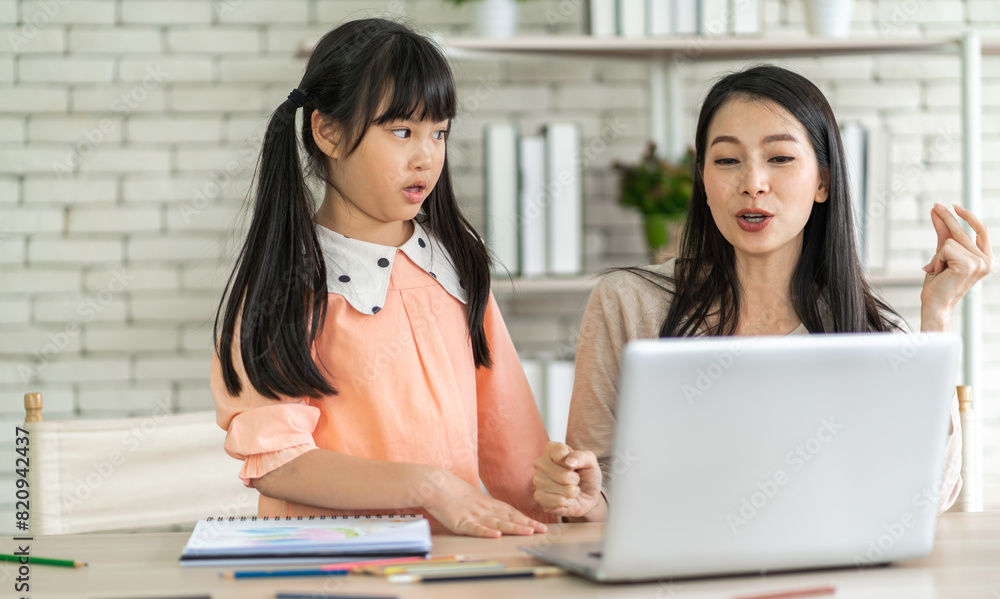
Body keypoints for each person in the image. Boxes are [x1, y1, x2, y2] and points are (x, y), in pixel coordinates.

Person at [533, 64, 992, 521]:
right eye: (727, 160)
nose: (752, 183)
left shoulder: (871, 333)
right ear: (703, 180)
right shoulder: (627, 303)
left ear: (823, 181)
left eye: (780, 158)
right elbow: (602, 498)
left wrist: (938, 315)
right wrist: (585, 500)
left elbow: (925, 497)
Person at [210, 18, 551, 538]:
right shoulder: (286, 283)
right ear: (328, 132)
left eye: (439, 132)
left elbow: (515, 447)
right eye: (402, 132)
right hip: (324, 568)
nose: (426, 156)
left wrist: (567, 492)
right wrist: (429, 486)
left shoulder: (455, 265)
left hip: (449, 566)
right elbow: (278, 462)